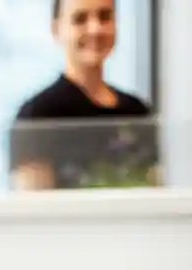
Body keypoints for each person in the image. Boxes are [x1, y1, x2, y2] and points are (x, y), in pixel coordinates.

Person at [9, 0, 158, 190]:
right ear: (57, 30)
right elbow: (34, 210)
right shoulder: (37, 115)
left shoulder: (138, 112)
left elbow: (152, 195)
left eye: (105, 17)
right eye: (80, 19)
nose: (95, 29)